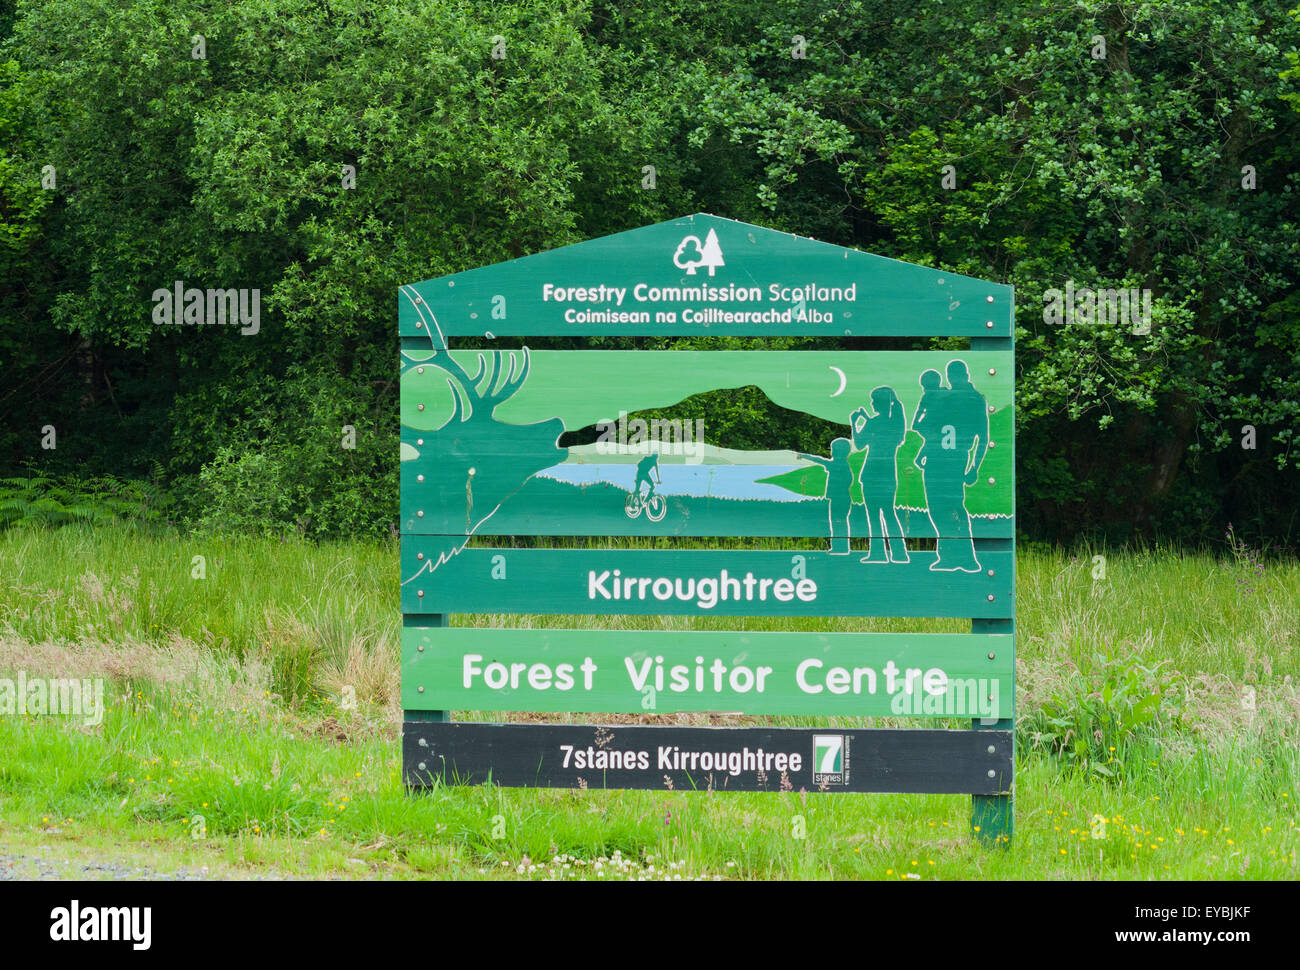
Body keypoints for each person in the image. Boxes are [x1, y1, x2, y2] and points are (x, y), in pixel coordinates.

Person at [851, 386, 910, 563]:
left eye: (874, 400)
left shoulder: (874, 423)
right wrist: (868, 420)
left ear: (881, 402)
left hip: (871, 473)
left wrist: (856, 423)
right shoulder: (896, 423)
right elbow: (886, 434)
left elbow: (860, 444)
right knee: (889, 513)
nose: (872, 403)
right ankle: (899, 553)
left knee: (874, 516)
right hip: (888, 474)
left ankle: (878, 553)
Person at [798, 438, 854, 555]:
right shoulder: (843, 464)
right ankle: (840, 547)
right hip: (840, 498)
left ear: (839, 451)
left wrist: (804, 456)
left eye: (833, 449)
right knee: (837, 522)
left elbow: (819, 460)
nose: (831, 452)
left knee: (838, 522)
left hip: (840, 498)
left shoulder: (838, 464)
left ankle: (841, 548)